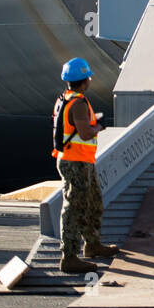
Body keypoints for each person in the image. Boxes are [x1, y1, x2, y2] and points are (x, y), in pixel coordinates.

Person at [51, 58, 118, 274]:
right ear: (84, 80)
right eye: (88, 77)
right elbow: (85, 133)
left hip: (81, 161)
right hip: (75, 162)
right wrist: (99, 124)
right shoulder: (78, 104)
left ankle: (92, 244)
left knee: (93, 201)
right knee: (74, 208)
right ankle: (69, 257)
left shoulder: (65, 99)